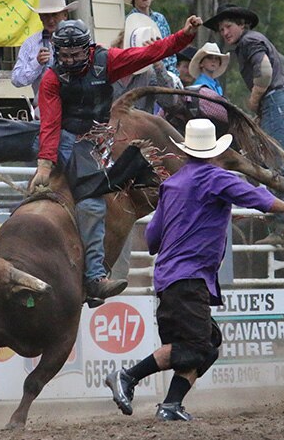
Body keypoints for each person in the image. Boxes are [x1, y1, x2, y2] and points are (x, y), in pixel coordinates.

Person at [105, 118, 284, 421]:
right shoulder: (215, 178)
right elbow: (254, 196)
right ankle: (128, 376)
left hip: (171, 278)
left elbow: (153, 238)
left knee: (207, 344)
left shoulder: (172, 184)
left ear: (186, 152)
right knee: (196, 347)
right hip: (189, 277)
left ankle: (171, 405)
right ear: (215, 152)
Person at [30, 16, 200, 304]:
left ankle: (94, 273)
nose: (70, 60)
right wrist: (45, 164)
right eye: (65, 55)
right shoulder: (52, 78)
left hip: (97, 135)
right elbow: (50, 123)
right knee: (91, 201)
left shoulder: (105, 61)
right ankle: (94, 275)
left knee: (103, 194)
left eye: (75, 54)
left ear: (88, 49)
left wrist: (184, 36)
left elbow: (149, 52)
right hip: (68, 135)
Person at [204, 3, 284, 246]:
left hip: (276, 102)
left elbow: (264, 70)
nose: (225, 32)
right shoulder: (255, 39)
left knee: (281, 167)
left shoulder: (248, 41)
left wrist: (254, 100)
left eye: (228, 26)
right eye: (221, 29)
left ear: (242, 24)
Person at [12, 0, 77, 115]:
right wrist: (36, 63)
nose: (51, 20)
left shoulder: (79, 40)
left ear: (65, 15)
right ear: (40, 17)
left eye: (55, 15)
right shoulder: (30, 44)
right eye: (46, 15)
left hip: (74, 109)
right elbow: (16, 80)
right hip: (43, 111)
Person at [122, 0, 174, 74]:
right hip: (142, 73)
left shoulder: (160, 18)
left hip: (165, 71)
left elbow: (170, 47)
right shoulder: (128, 21)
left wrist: (172, 72)